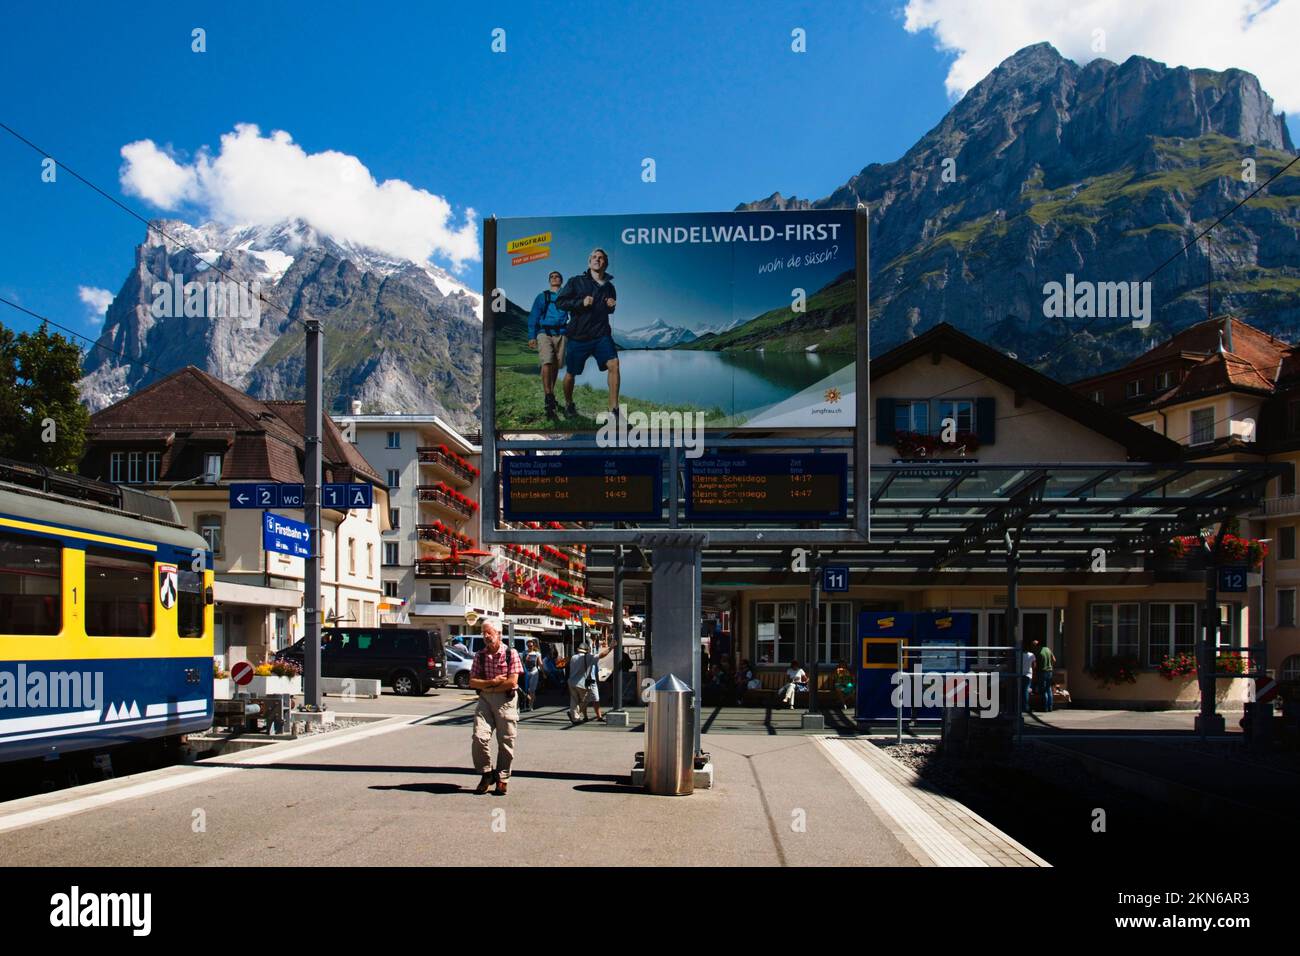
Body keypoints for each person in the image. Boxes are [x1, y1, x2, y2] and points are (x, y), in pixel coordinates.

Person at [556, 248, 619, 421]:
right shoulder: (576, 282)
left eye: (601, 258)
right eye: (594, 257)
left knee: (614, 363)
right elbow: (560, 302)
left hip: (601, 335)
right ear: (589, 262)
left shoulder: (610, 287)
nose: (597, 260)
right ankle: (569, 404)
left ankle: (614, 410)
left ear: (606, 263)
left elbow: (610, 310)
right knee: (571, 373)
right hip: (578, 336)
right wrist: (580, 302)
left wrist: (611, 306)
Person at [468, 621, 523, 796]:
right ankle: (486, 773)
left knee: (506, 741)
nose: (485, 636)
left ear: (498, 633)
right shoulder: (480, 655)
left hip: (506, 700)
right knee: (479, 737)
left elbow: (512, 682)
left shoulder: (510, 653)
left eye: (488, 632)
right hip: (485, 699)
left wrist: (488, 687)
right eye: (483, 633)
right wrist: (491, 683)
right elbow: (472, 681)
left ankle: (502, 778)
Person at [527, 271, 569, 419]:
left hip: (562, 334)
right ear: (549, 281)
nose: (554, 278)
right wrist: (532, 336)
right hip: (544, 332)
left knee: (556, 365)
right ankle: (548, 397)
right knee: (547, 361)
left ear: (561, 280)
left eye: (557, 276)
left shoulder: (567, 296)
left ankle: (551, 393)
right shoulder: (542, 297)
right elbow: (534, 316)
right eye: (551, 276)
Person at [567, 640, 613, 723]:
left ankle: (575, 718)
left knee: (574, 701)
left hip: (571, 682)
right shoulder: (588, 657)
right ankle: (574, 714)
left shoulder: (573, 657)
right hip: (581, 683)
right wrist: (611, 647)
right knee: (585, 700)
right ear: (587, 650)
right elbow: (602, 655)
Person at [521, 639, 543, 712]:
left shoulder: (537, 653)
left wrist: (543, 672)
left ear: (533, 646)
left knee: (532, 690)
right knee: (526, 690)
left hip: (534, 672)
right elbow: (521, 662)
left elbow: (540, 663)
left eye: (531, 645)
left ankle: (531, 705)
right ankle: (525, 705)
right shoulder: (524, 653)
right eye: (528, 645)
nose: (530, 647)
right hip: (526, 672)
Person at [1037, 641, 1057, 713]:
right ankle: (1050, 707)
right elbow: (1054, 660)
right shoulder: (1048, 650)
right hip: (1050, 671)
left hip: (1042, 671)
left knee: (1044, 690)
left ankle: (1045, 707)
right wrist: (1050, 666)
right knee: (1049, 689)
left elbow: (1036, 663)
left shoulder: (1039, 651)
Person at [1023, 642, 1038, 715]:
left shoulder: (1019, 654)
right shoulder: (1031, 655)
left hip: (1020, 674)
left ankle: (1020, 706)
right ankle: (1026, 707)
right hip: (1028, 674)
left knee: (1020, 691)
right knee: (1026, 691)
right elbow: (1034, 665)